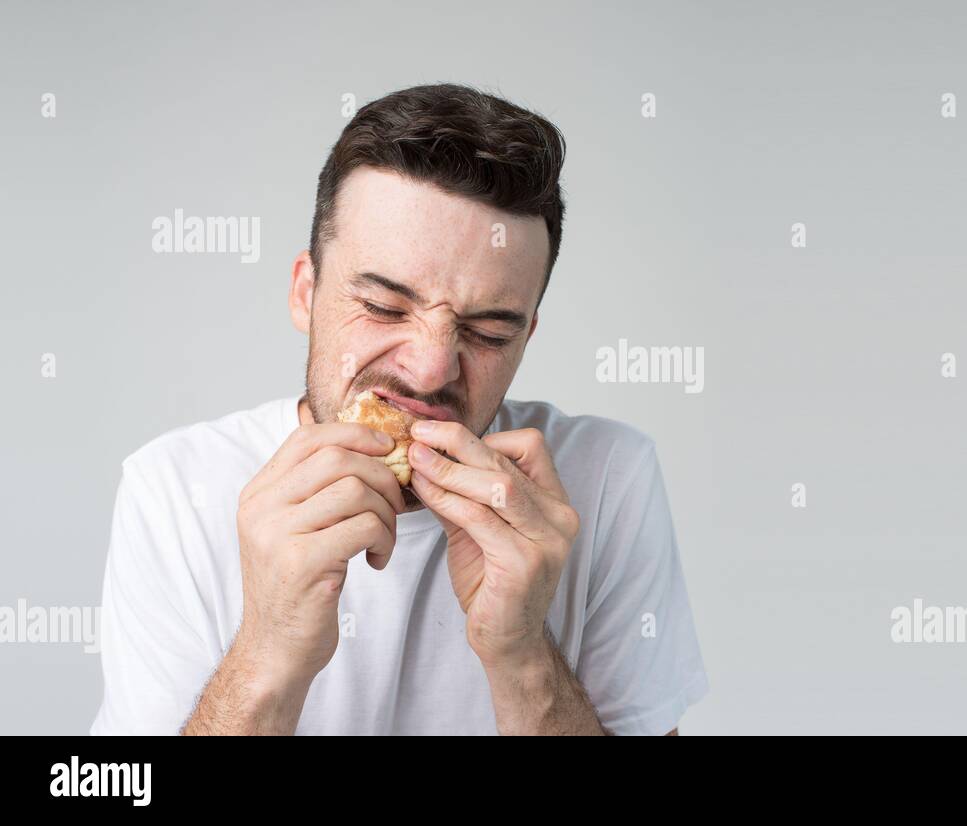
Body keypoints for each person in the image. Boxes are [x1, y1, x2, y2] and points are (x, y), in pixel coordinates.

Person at [91, 84, 708, 735]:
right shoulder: (175, 488)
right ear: (306, 293)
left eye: (488, 332)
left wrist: (522, 654)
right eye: (385, 307)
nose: (430, 369)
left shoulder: (606, 478)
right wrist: (266, 657)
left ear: (527, 338)